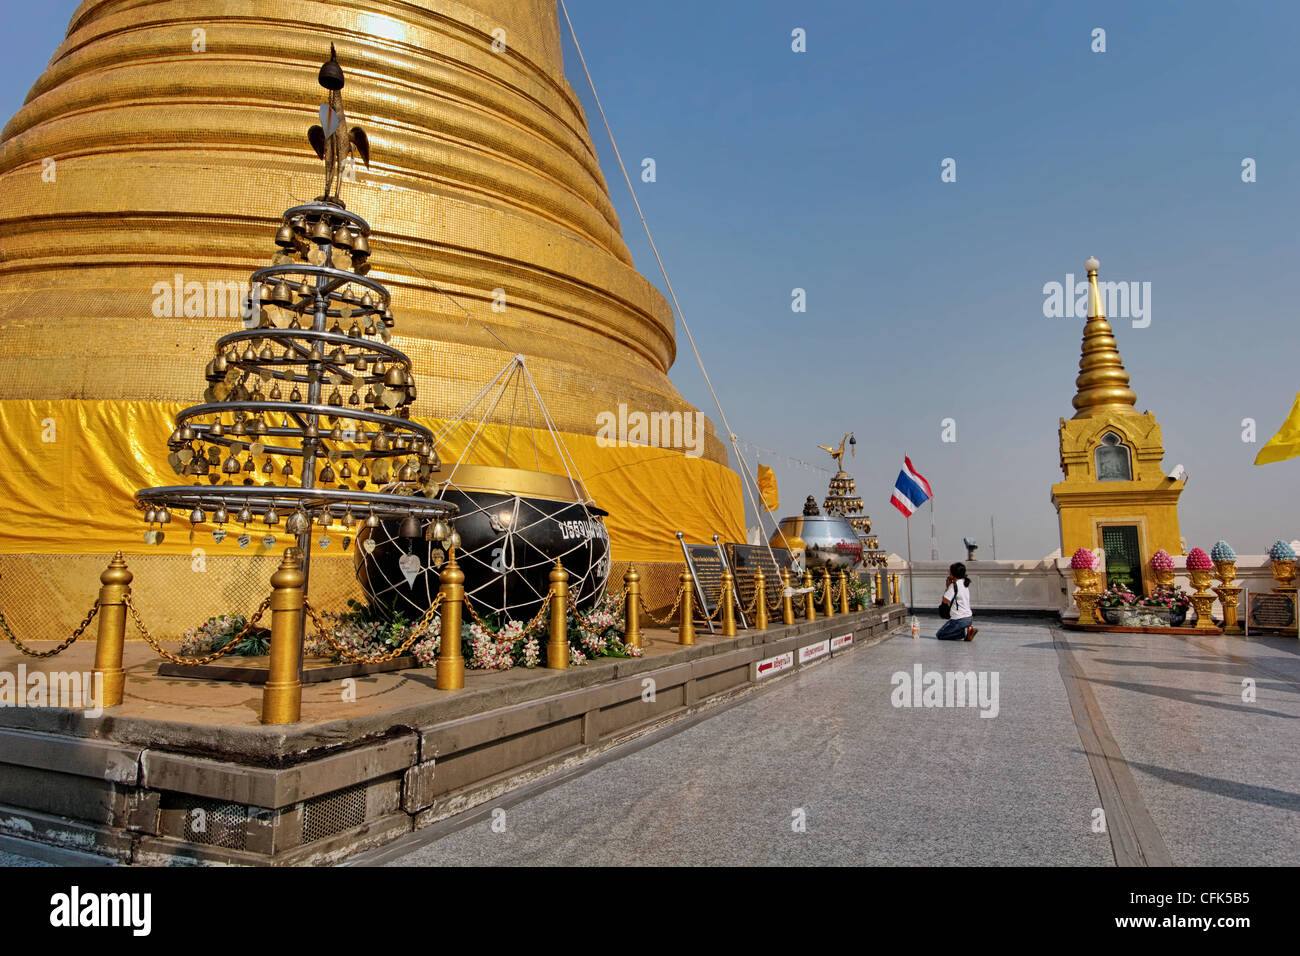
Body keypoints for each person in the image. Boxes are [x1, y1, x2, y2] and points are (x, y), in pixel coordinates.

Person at [937, 562, 977, 641]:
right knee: (945, 632)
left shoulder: (954, 585)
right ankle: (967, 630)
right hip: (968, 618)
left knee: (940, 635)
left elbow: (945, 601)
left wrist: (947, 587)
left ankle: (964, 632)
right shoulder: (965, 583)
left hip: (958, 620)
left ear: (952, 574)